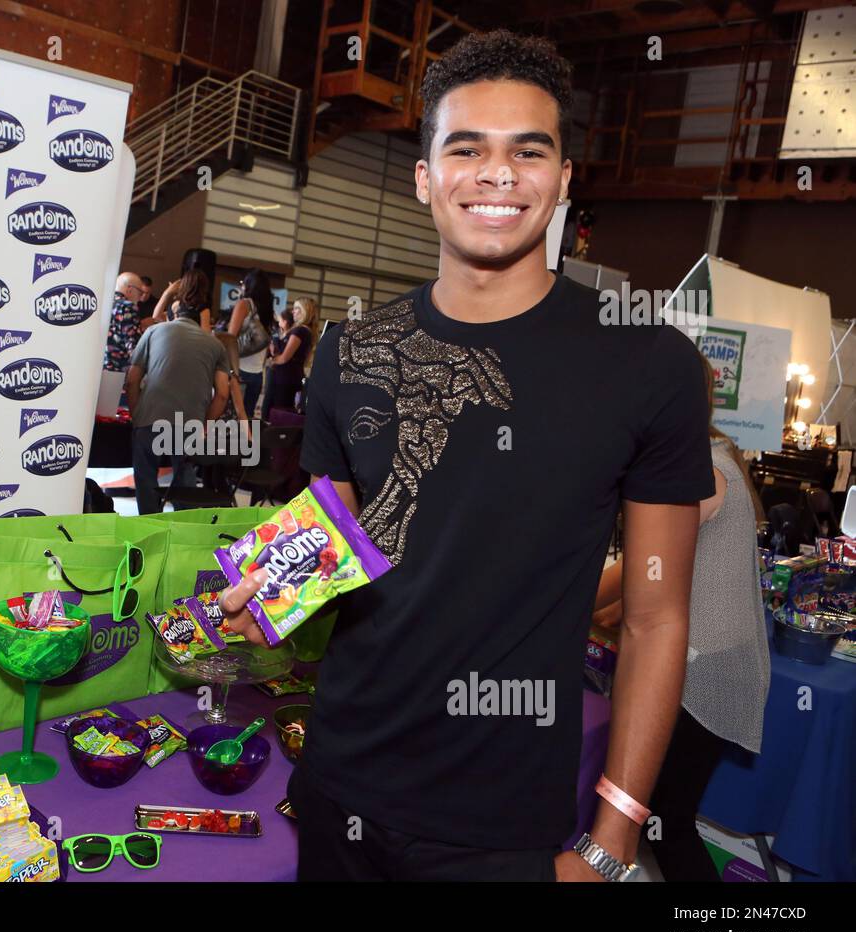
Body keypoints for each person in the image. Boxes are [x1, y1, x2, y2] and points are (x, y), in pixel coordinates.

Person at [221, 29, 714, 882]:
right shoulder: (351, 347)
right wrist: (267, 592)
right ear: (424, 177)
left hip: (498, 818)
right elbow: (335, 533)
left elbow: (656, 614)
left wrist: (616, 836)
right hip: (339, 784)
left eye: (528, 151)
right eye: (466, 148)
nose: (496, 174)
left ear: (562, 180)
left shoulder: (648, 363)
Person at [592, 355, 770, 882]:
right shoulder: (714, 458)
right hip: (716, 655)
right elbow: (668, 578)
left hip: (707, 668)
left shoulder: (700, 473)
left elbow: (636, 568)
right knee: (665, 817)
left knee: (664, 823)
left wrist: (568, 601)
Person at [124, 306, 230, 515]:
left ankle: (148, 526)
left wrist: (137, 415)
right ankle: (184, 527)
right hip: (190, 422)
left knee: (145, 477)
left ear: (173, 316)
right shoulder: (215, 344)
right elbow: (222, 394)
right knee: (184, 477)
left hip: (150, 416)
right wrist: (205, 424)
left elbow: (132, 379)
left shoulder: (153, 332)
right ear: (199, 321)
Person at [226, 269, 276, 419]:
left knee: (230, 420)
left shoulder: (244, 304)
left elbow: (230, 338)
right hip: (257, 375)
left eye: (243, 283)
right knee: (246, 420)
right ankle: (246, 443)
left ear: (248, 286)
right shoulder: (268, 310)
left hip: (239, 370)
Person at [261, 302, 313, 420]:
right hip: (288, 376)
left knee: (275, 413)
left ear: (305, 312)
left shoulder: (299, 331)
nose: (293, 311)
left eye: (297, 308)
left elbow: (285, 357)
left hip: (283, 378)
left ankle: (267, 436)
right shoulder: (304, 331)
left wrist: (270, 362)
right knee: (279, 412)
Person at [103, 271, 148, 373]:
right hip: (117, 372)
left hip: (96, 371)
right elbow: (134, 348)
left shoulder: (102, 302)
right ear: (130, 290)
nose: (140, 298)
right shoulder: (127, 307)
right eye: (140, 292)